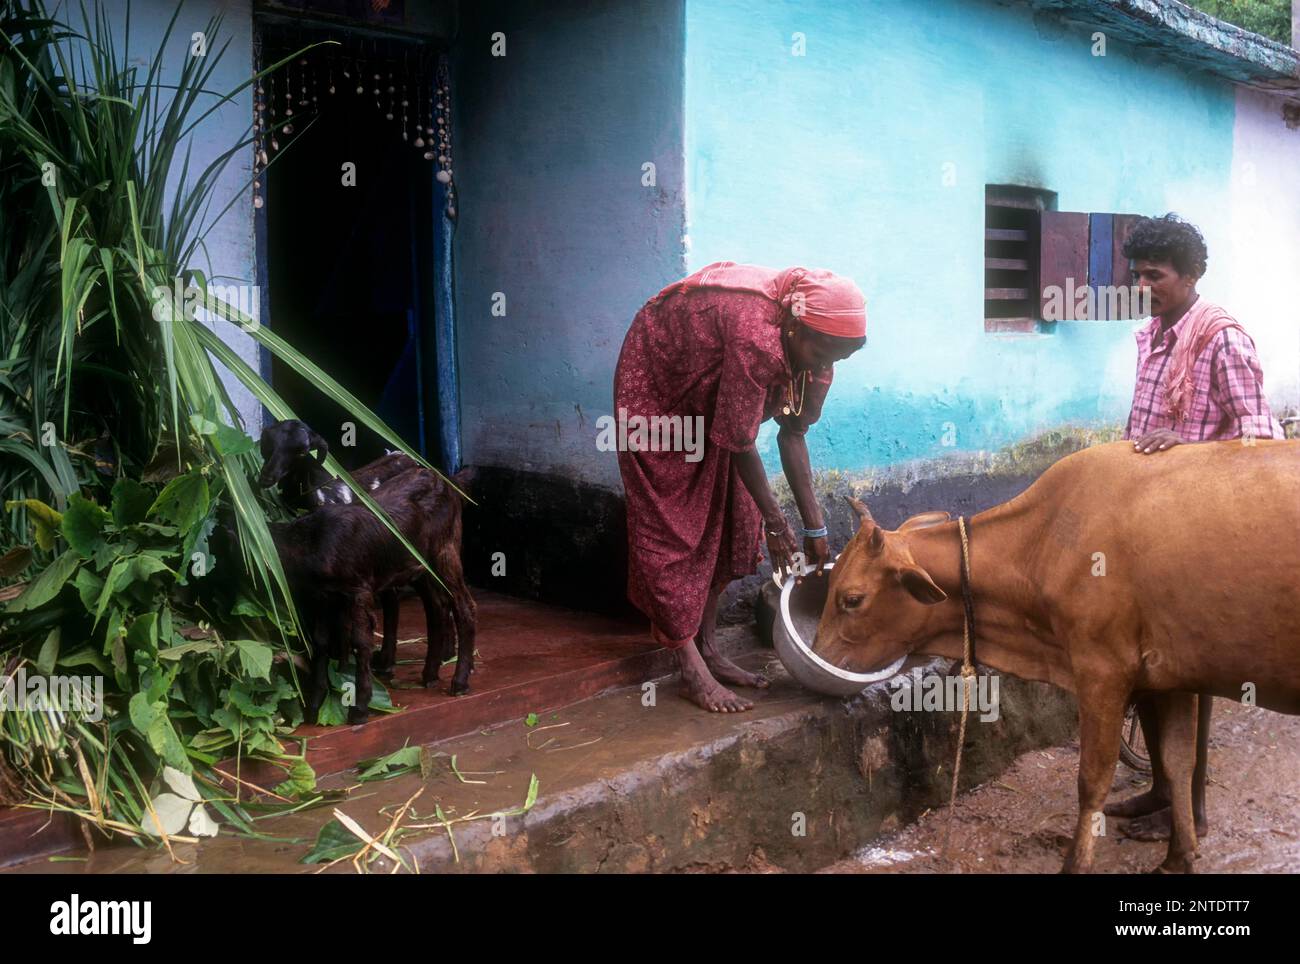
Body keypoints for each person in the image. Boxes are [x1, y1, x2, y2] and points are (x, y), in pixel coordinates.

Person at [613, 262, 867, 712]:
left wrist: (815, 531)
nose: (826, 364)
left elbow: (793, 433)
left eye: (838, 357)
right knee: (672, 523)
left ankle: (709, 649)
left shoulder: (819, 353)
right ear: (793, 326)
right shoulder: (759, 339)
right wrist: (777, 522)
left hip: (716, 404)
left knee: (735, 515)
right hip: (659, 386)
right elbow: (741, 440)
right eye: (822, 352)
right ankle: (689, 665)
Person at [1107, 214, 1283, 840]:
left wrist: (1182, 448)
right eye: (1139, 274)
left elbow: (1261, 443)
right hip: (1150, 532)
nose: (1144, 284)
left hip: (1200, 535)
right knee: (1152, 670)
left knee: (1190, 672)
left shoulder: (1222, 340)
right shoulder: (1152, 336)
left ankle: (1193, 812)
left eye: (1156, 276)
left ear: (1192, 275)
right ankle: (1160, 790)